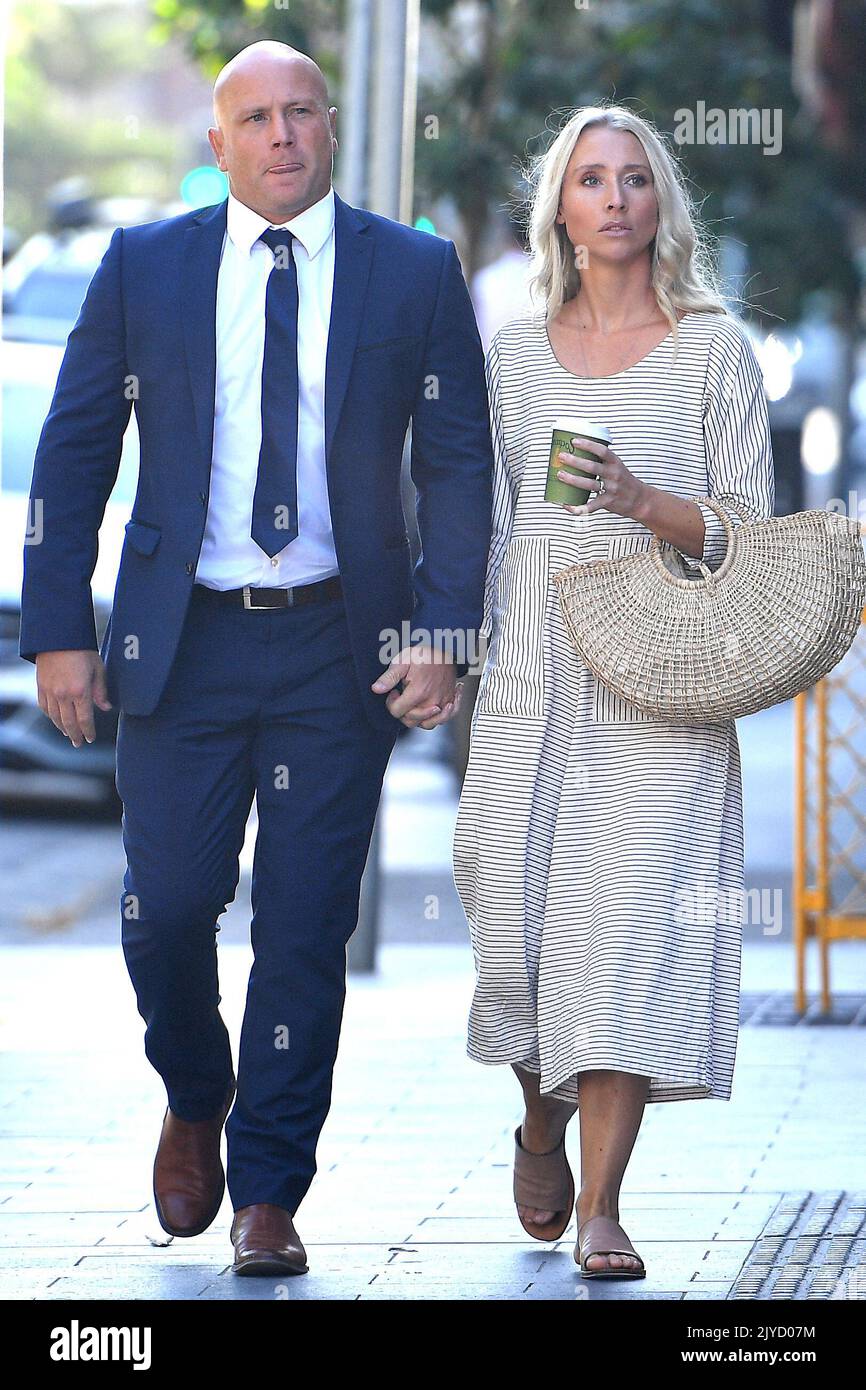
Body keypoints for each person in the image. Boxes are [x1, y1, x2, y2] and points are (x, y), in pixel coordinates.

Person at [19, 40, 492, 1277]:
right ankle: (193, 1088)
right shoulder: (146, 269)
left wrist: (446, 632)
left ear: (327, 129)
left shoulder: (413, 271)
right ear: (216, 144)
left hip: (346, 645)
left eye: (300, 113)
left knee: (301, 926)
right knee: (166, 905)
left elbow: (455, 466)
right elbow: (73, 457)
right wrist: (57, 630)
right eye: (254, 119)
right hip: (182, 644)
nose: (281, 136)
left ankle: (271, 1188)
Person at [452, 103, 775, 1279]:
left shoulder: (711, 349)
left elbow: (749, 533)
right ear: (561, 211)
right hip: (534, 677)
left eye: (634, 179)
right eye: (590, 180)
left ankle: (601, 1204)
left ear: (659, 204)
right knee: (519, 940)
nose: (615, 199)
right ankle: (534, 1119)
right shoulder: (515, 354)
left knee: (629, 937)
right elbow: (487, 525)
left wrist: (641, 499)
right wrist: (450, 651)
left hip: (660, 688)